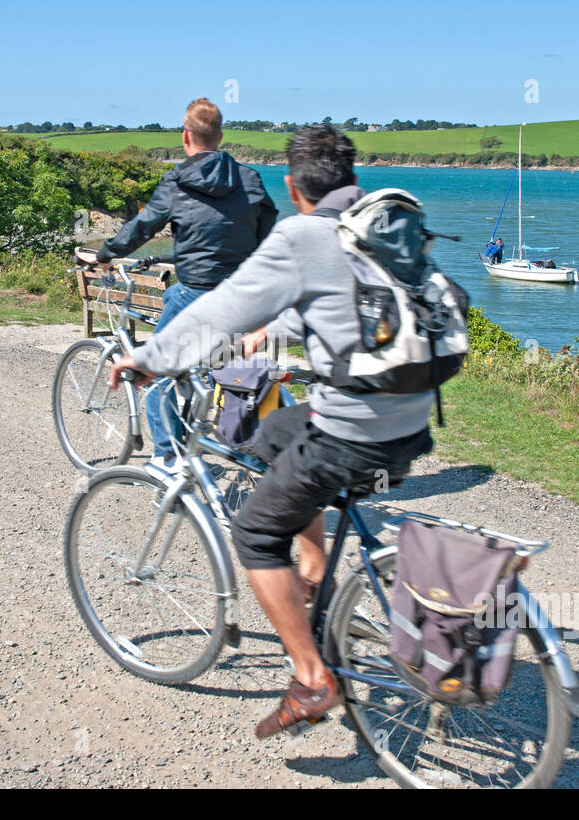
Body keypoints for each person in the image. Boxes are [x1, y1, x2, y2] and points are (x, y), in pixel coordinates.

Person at [109, 124, 434, 738]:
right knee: (276, 435)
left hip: (354, 429)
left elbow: (221, 309)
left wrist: (149, 358)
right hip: (411, 419)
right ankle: (313, 572)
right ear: (351, 177)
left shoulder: (305, 233)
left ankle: (312, 678)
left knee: (254, 532)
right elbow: (356, 303)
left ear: (293, 186)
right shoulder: (382, 222)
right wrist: (281, 328)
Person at [79, 98, 277, 463]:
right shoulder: (249, 178)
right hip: (241, 295)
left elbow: (143, 226)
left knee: (156, 372)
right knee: (223, 360)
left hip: (196, 293)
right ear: (220, 136)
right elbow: (266, 226)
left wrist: (104, 255)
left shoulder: (177, 181)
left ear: (185, 136)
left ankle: (167, 460)